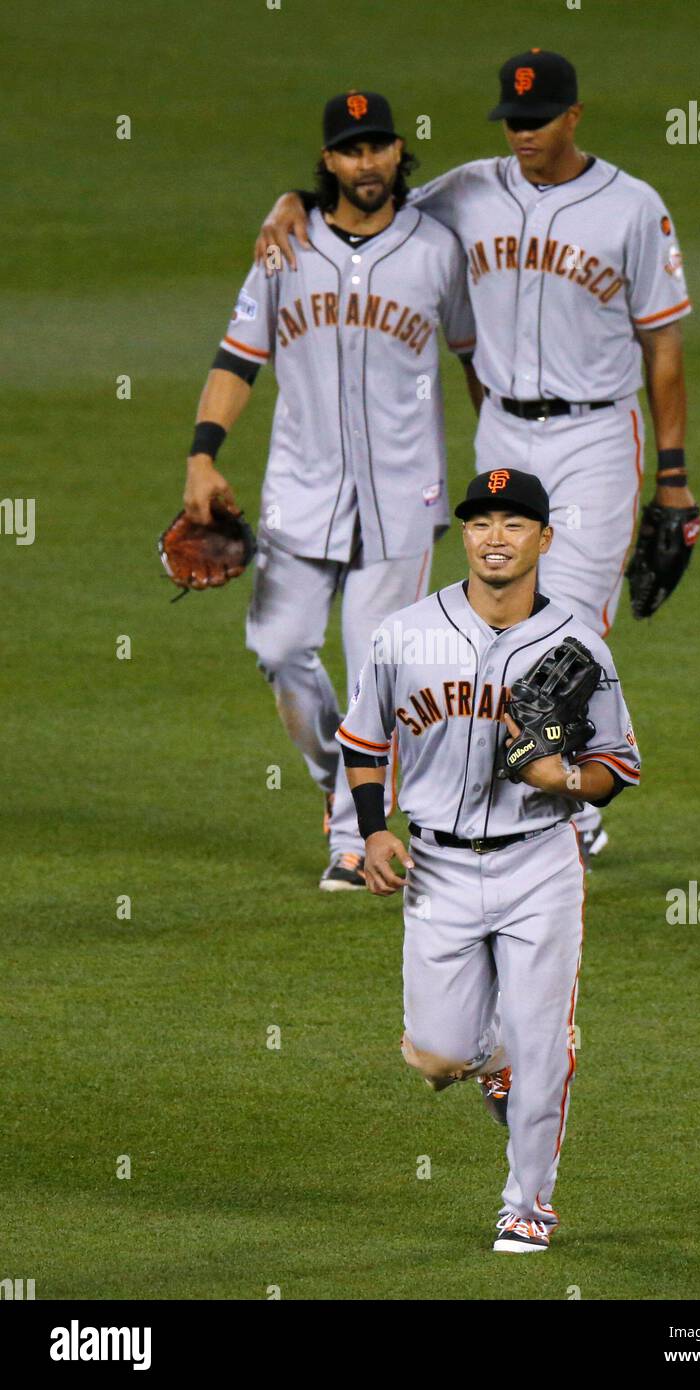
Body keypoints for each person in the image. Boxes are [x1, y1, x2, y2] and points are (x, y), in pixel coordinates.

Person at [254, 50, 695, 864]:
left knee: (559, 625)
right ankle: (522, 798)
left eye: (535, 121)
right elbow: (366, 207)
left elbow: (661, 345)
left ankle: (569, 799)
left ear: (573, 116)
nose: (520, 135)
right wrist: (290, 202)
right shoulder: (467, 189)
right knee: (493, 625)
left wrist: (672, 479)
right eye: (510, 122)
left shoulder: (632, 208)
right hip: (500, 430)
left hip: (596, 435)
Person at [336, 468, 640, 1251]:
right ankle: (489, 1059)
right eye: (479, 522)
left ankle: (527, 1207)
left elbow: (617, 767)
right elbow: (364, 742)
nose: (494, 536)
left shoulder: (578, 643)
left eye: (513, 523)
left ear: (543, 538)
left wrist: (561, 777)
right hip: (435, 866)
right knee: (435, 1055)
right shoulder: (404, 634)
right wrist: (371, 831)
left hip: (540, 862)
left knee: (546, 1048)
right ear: (463, 536)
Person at [183, 91, 478, 889]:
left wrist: (498, 468)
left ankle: (354, 838)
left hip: (403, 497)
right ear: (328, 161)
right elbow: (237, 357)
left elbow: (473, 360)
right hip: (299, 494)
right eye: (350, 150)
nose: (367, 163)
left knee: (376, 670)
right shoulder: (284, 248)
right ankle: (336, 779)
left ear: (398, 152)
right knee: (278, 649)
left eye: (378, 146)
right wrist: (202, 457)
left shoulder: (437, 250)